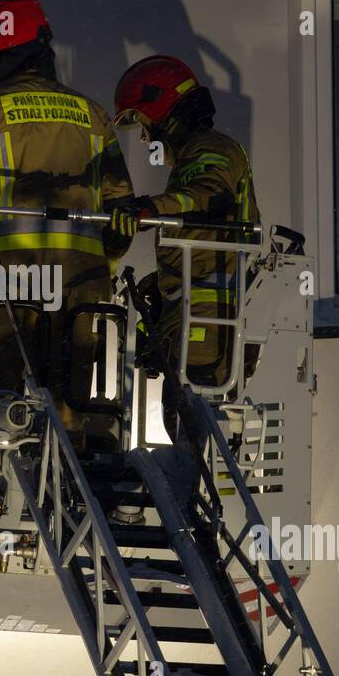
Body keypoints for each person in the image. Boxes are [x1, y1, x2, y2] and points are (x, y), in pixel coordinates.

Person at [0, 0, 133, 453]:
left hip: (8, 279)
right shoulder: (93, 115)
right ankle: (66, 489)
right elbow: (121, 210)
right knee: (69, 400)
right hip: (82, 284)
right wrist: (100, 267)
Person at [109, 55, 262, 441]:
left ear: (160, 108)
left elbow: (206, 194)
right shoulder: (204, 151)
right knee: (188, 431)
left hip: (210, 326)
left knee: (199, 438)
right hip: (201, 321)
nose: (145, 139)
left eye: (143, 124)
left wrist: (149, 209)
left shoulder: (211, 149)